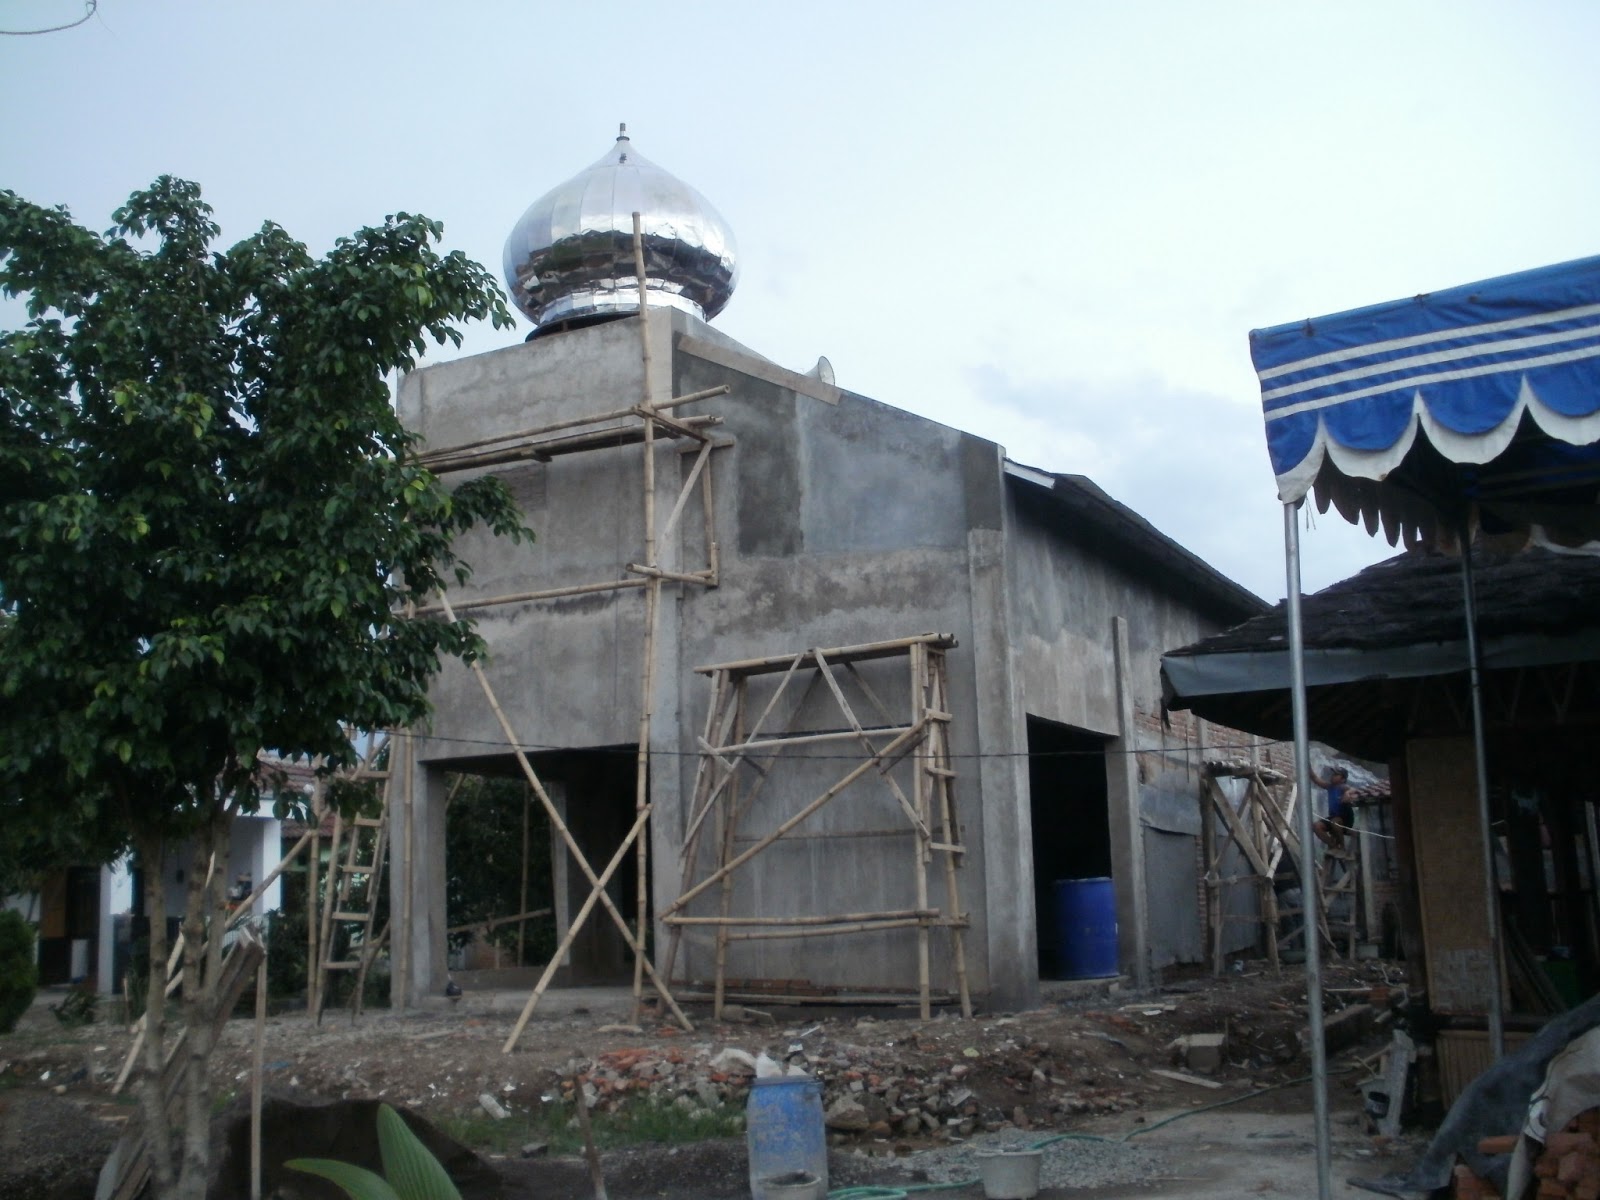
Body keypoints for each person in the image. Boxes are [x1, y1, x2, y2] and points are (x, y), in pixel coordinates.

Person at [1312, 765, 1352, 848]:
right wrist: (1306, 765)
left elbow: (1353, 789)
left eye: (1336, 774)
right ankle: (1333, 845)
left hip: (1345, 819)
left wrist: (1347, 793)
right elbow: (1315, 778)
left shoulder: (1343, 787)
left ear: (1343, 779)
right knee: (1316, 826)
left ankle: (1342, 847)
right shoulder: (1330, 787)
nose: (1332, 776)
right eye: (1333, 774)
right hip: (1333, 818)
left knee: (1335, 821)